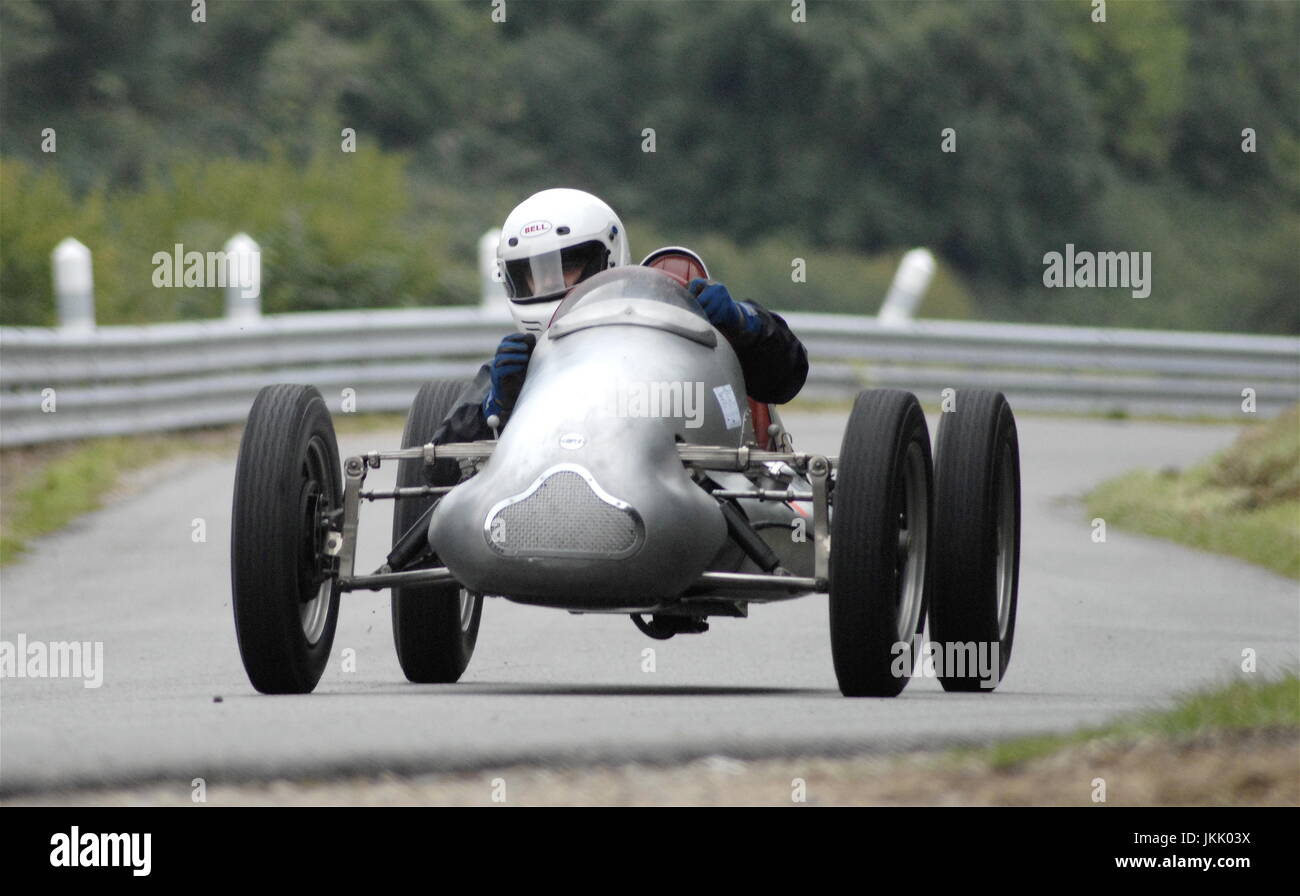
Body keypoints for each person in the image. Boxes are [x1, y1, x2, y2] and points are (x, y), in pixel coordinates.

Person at [430, 188, 808, 443]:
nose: (548, 284)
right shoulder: (517, 367)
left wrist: (744, 325)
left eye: (567, 267)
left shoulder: (673, 324)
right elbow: (437, 470)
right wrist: (495, 408)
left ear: (607, 257)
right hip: (557, 502)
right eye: (533, 275)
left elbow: (787, 377)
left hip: (683, 486)